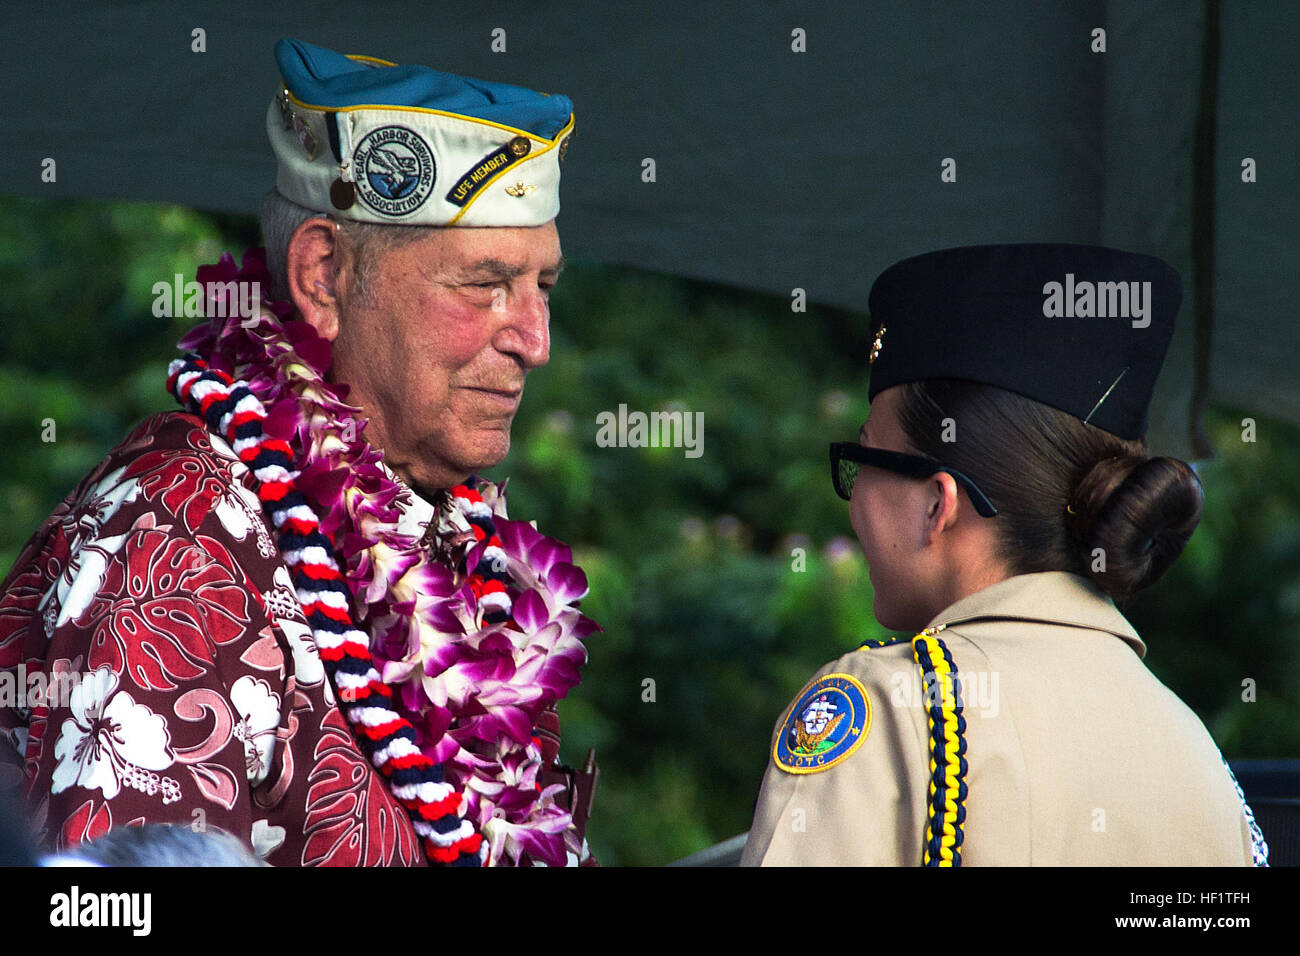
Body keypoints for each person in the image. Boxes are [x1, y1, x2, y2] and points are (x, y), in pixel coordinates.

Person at [0, 38, 597, 867]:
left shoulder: (466, 550)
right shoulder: (176, 540)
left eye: (543, 288)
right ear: (323, 274)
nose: (535, 341)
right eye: (486, 284)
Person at [740, 243, 1269, 866]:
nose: (854, 502)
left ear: (937, 504)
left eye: (863, 460)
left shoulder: (888, 708)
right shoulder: (1199, 757)